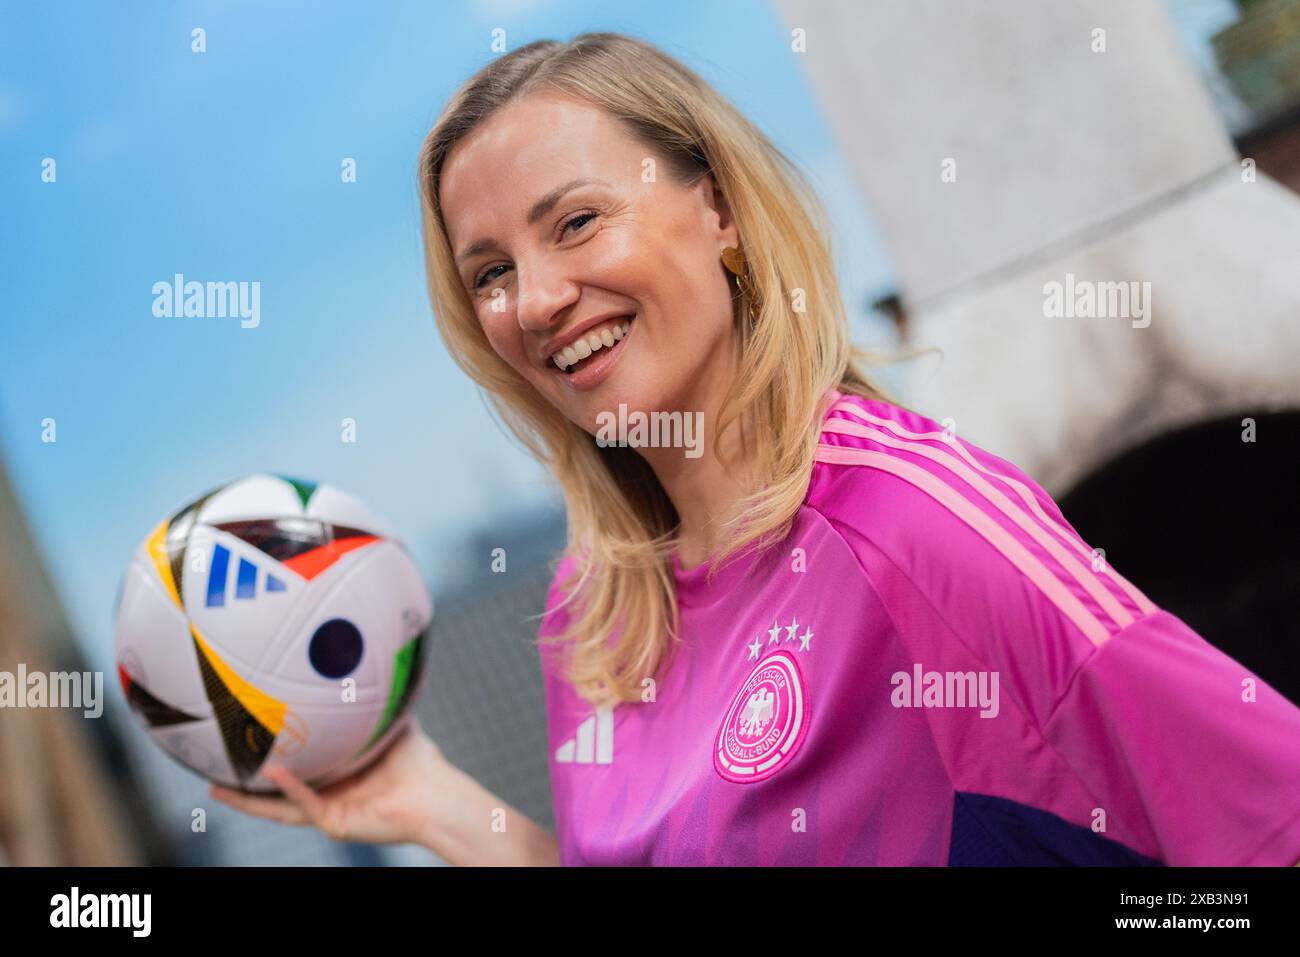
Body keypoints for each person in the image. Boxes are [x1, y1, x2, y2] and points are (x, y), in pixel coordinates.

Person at [212, 32, 1300, 866]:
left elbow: (1267, 816)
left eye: (577, 222)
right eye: (489, 271)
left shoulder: (913, 529)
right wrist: (434, 809)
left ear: (718, 209)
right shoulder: (590, 611)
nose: (535, 298)